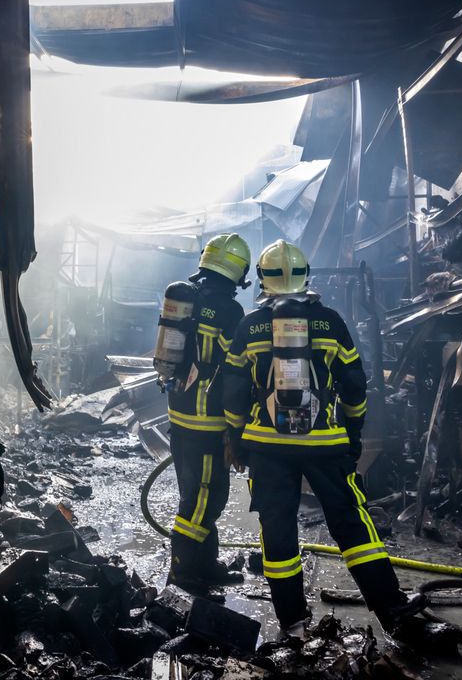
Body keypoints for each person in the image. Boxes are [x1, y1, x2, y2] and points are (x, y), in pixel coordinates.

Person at [222, 239, 426, 637]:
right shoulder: (330, 321)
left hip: (267, 447)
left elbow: (231, 392)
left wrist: (237, 436)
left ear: (262, 279)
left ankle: (293, 623)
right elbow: (354, 386)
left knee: (277, 530)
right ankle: (393, 614)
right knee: (352, 525)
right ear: (304, 275)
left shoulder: (249, 326)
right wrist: (351, 433)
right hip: (324, 445)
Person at [161, 233, 251, 592]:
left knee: (199, 494)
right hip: (208, 422)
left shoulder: (187, 300)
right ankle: (182, 572)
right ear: (238, 270)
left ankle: (207, 566)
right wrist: (236, 426)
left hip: (180, 417)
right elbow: (235, 371)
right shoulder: (230, 311)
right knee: (204, 499)